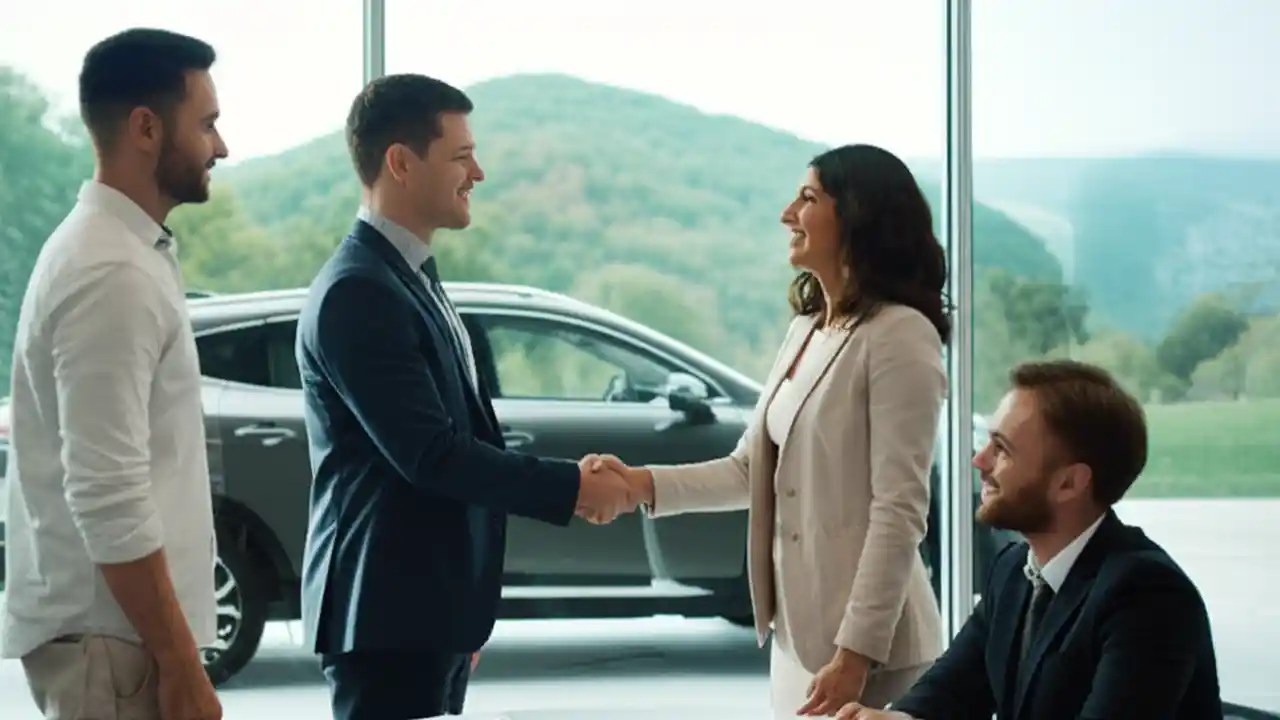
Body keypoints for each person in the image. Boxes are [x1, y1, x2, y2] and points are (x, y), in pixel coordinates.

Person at [295, 73, 635, 720]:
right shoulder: (358, 291)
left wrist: (460, 612)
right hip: (386, 616)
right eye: (460, 156)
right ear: (400, 162)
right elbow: (432, 454)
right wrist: (573, 488)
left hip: (426, 613)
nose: (477, 172)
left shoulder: (407, 273)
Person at [591, 144, 949, 717]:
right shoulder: (808, 329)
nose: (788, 213)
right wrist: (640, 484)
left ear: (857, 214)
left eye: (807, 198)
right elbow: (751, 470)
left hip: (872, 653)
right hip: (797, 638)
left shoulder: (901, 336)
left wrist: (856, 653)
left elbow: (899, 508)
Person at [1, 28, 227, 720]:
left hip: (120, 643)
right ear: (146, 128)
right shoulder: (110, 270)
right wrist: (181, 665)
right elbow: (106, 492)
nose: (221, 146)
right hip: (114, 650)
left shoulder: (124, 250)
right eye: (208, 123)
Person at [837, 360, 1223, 720]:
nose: (979, 460)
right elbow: (948, 694)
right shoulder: (1012, 570)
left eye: (1001, 449)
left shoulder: (1147, 595)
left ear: (1069, 483)